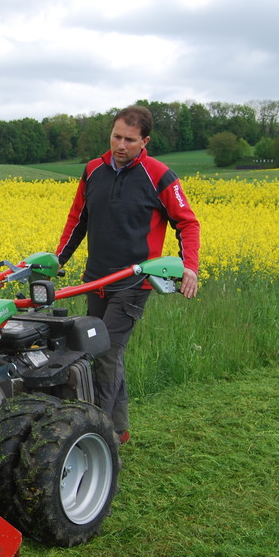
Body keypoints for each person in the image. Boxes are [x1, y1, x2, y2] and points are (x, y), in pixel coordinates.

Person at [55, 105, 200, 444]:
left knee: (106, 351)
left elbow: (187, 223)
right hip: (96, 280)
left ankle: (98, 435)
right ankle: (118, 429)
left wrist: (188, 266)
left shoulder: (160, 175)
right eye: (116, 136)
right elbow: (78, 219)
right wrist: (58, 260)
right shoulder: (93, 171)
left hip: (134, 282)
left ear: (144, 141)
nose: (120, 145)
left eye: (129, 140)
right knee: (100, 351)